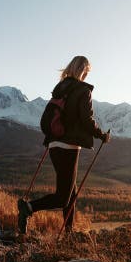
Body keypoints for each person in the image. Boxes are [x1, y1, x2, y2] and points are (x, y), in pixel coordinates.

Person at [17, 56, 110, 235]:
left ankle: (68, 233)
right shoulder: (83, 90)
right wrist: (101, 135)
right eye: (87, 72)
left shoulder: (60, 88)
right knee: (63, 197)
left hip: (53, 145)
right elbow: (87, 119)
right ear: (83, 70)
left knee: (70, 193)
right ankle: (28, 208)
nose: (86, 76)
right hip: (69, 147)